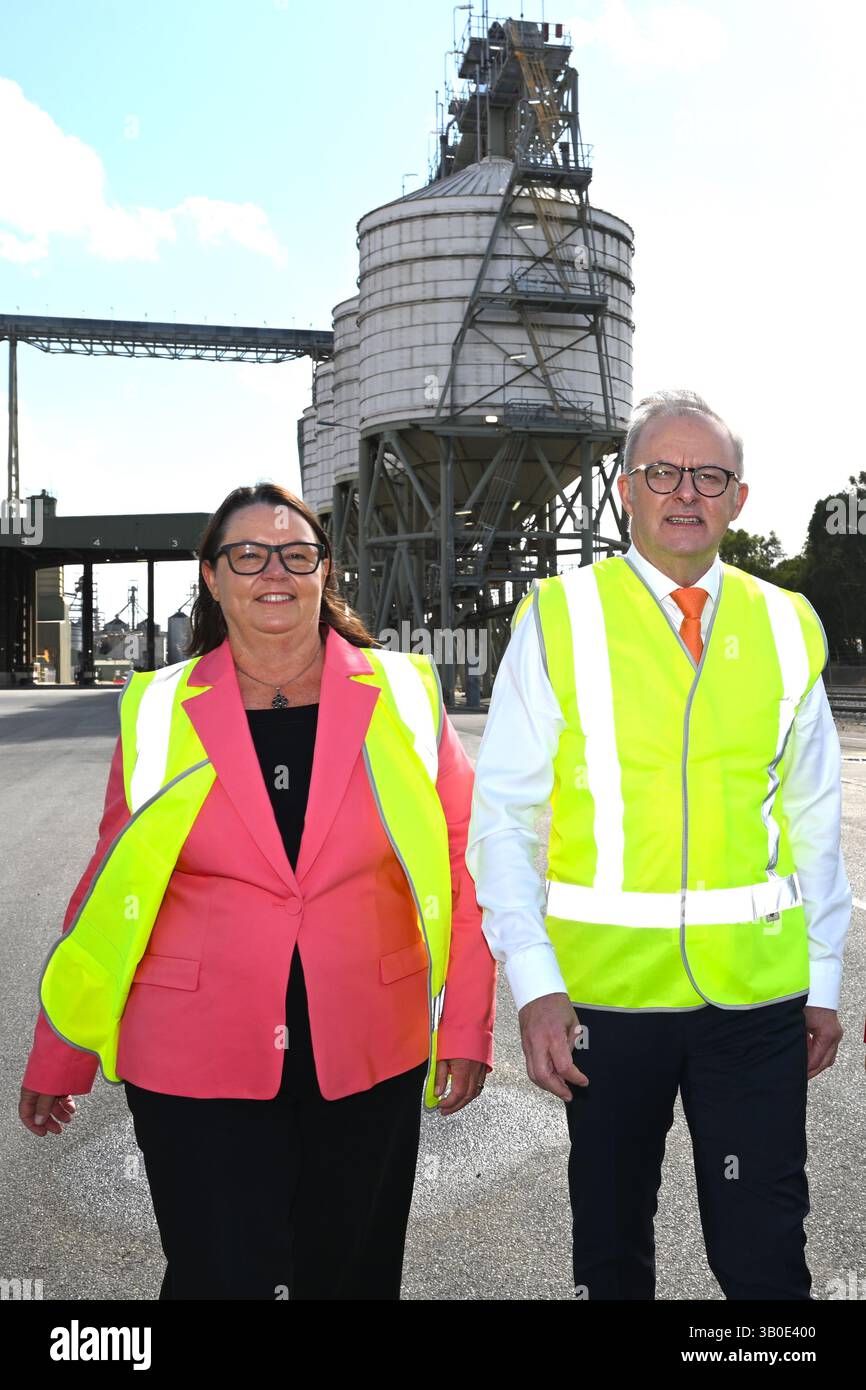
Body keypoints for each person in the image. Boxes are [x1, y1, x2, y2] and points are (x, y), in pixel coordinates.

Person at [19, 482, 496, 1301]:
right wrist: (59, 1044)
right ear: (211, 576)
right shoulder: (160, 706)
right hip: (191, 1049)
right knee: (218, 1275)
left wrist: (467, 1025)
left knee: (350, 1274)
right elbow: (111, 887)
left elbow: (465, 864)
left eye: (296, 555)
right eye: (247, 555)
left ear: (324, 573)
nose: (273, 572)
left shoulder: (406, 695)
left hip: (367, 1044)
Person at [466, 389, 852, 1301]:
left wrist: (824, 980)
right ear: (627, 490)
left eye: (709, 475)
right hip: (603, 998)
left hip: (754, 1001)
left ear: (738, 499)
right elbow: (506, 818)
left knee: (765, 1254)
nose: (687, 492)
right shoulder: (559, 616)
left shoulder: (787, 623)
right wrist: (533, 983)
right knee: (611, 1248)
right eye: (663, 473)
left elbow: (814, 817)